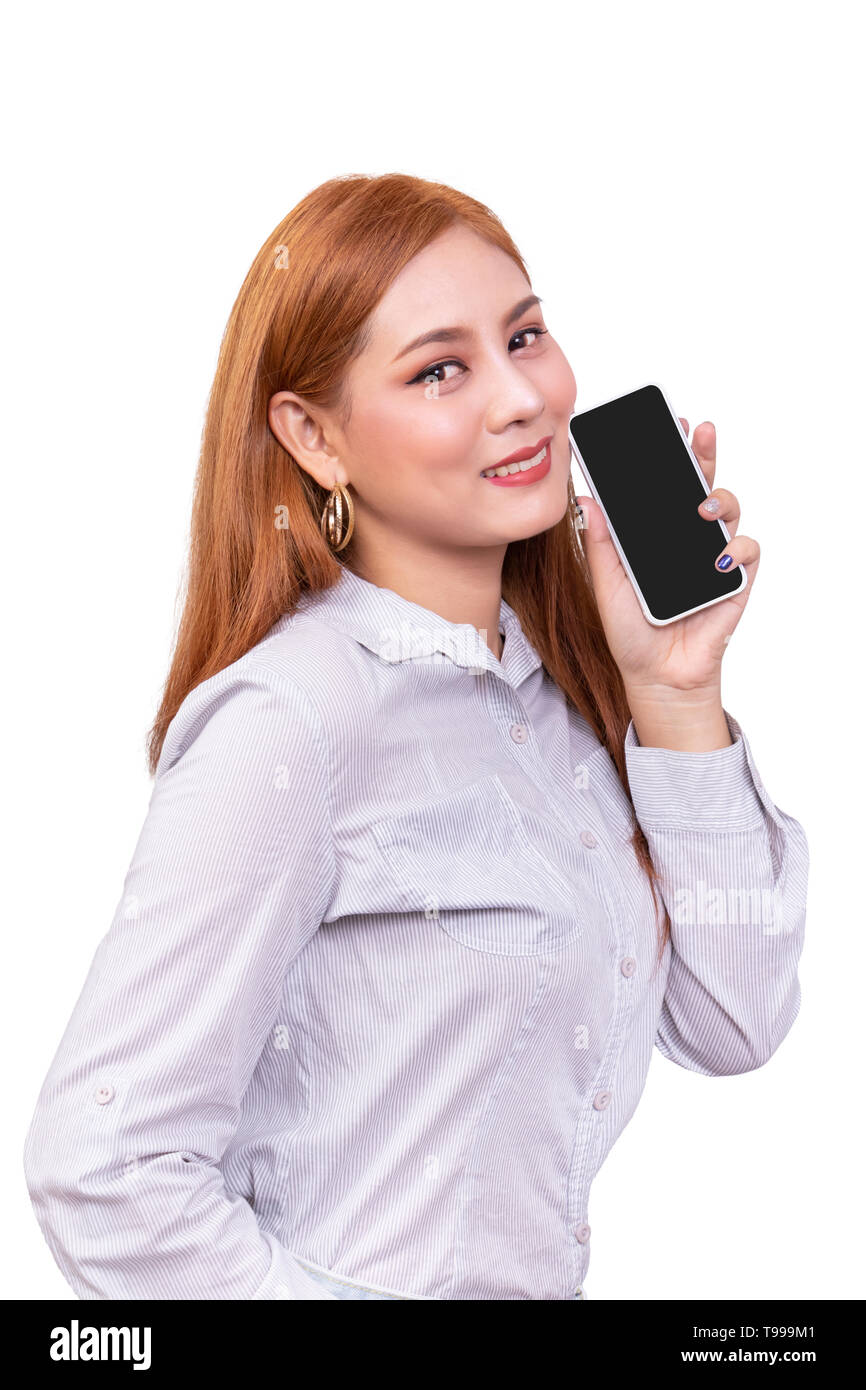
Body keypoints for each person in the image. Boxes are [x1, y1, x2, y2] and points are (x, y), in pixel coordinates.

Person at [22, 172, 808, 1301]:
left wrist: (674, 695)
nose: (519, 399)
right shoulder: (289, 721)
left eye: (523, 336)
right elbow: (100, 1166)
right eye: (440, 369)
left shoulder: (563, 699)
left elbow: (733, 1021)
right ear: (312, 435)